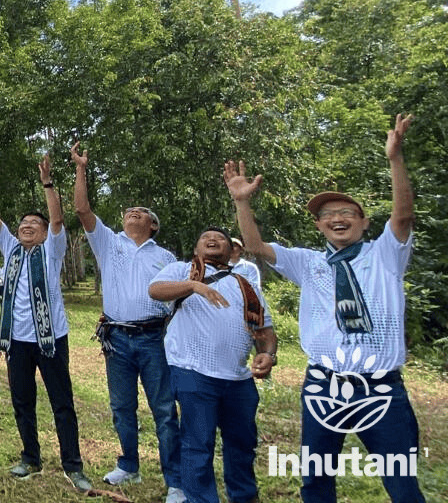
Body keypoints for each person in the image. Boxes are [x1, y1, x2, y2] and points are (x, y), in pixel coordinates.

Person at [225, 113, 425, 503]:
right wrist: (241, 202)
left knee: (402, 483)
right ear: (318, 225)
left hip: (380, 387)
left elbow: (403, 216)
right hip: (323, 384)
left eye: (347, 213)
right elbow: (256, 247)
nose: (337, 219)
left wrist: (395, 159)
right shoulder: (309, 262)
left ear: (365, 223)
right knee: (316, 481)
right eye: (327, 215)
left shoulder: (385, 255)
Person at [70, 142, 183, 500]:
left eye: (140, 212)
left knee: (164, 409)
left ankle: (176, 480)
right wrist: (81, 168)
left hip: (152, 338)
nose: (132, 213)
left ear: (153, 225)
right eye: (128, 211)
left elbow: (177, 297)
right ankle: (129, 466)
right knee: (121, 406)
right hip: (116, 338)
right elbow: (81, 208)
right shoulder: (109, 243)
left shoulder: (166, 256)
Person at [0, 154, 91, 491]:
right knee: (22, 401)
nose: (26, 226)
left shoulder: (51, 251)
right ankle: (31, 458)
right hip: (17, 342)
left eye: (33, 225)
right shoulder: (10, 249)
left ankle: (73, 465)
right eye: (23, 223)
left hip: (50, 339)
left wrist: (48, 183)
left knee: (62, 403)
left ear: (43, 233)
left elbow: (57, 219)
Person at [148, 227, 277, 503]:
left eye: (219, 238)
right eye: (205, 237)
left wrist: (268, 354)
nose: (212, 239)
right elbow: (155, 290)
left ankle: (243, 496)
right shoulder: (182, 271)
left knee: (242, 443)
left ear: (232, 251)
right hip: (193, 372)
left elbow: (265, 330)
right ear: (196, 249)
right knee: (198, 444)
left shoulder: (245, 283)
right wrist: (195, 285)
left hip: (238, 379)